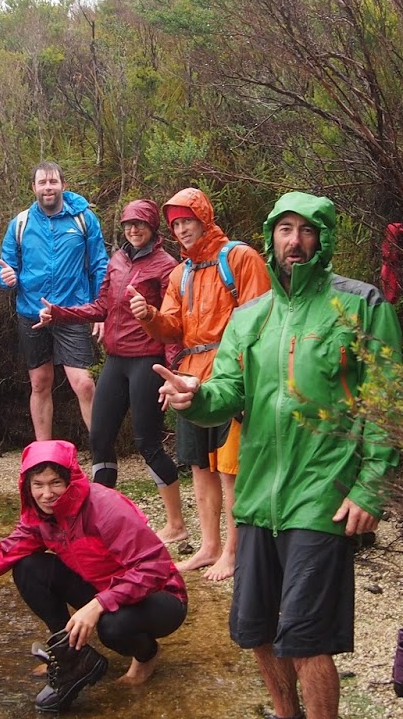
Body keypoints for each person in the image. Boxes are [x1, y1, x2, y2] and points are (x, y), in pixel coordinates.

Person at [155, 192, 401, 719]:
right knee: (257, 630)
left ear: (324, 238)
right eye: (285, 230)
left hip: (321, 495)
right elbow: (226, 393)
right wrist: (194, 397)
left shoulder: (359, 306)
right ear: (271, 238)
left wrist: (371, 485)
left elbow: (386, 403)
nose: (295, 241)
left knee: (308, 637)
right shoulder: (250, 317)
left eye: (307, 230)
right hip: (256, 494)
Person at [0, 439, 187, 712]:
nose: (47, 493)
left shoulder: (105, 507)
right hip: (101, 588)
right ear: (27, 486)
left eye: (55, 482)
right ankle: (70, 655)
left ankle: (146, 655)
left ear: (71, 481)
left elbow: (153, 568)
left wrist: (98, 605)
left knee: (113, 627)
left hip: (160, 596)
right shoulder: (38, 518)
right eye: (38, 485)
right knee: (28, 567)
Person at [129, 187, 269, 580]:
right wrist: (149, 315)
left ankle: (234, 550)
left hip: (229, 372)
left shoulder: (240, 257)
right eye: (175, 224)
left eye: (187, 220)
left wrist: (245, 373)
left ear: (204, 218)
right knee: (199, 465)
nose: (182, 229)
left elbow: (260, 317)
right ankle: (209, 546)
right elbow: (172, 330)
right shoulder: (180, 273)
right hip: (189, 372)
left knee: (230, 468)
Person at [36, 198, 189, 542]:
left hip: (148, 361)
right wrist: (59, 313)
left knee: (148, 442)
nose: (133, 230)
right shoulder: (117, 260)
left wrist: (173, 371)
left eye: (140, 224)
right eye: (127, 225)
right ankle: (102, 517)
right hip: (117, 359)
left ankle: (176, 525)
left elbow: (171, 322)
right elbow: (102, 305)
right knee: (100, 437)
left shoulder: (166, 265)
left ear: (153, 228)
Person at [0, 161, 109, 441]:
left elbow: (100, 266)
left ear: (63, 185)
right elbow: (5, 267)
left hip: (73, 311)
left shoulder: (83, 219)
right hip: (31, 313)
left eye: (53, 182)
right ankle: (43, 456)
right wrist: (6, 278)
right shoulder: (20, 224)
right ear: (33, 187)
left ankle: (102, 456)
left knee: (84, 384)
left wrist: (101, 311)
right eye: (42, 183)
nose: (48, 187)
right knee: (39, 382)